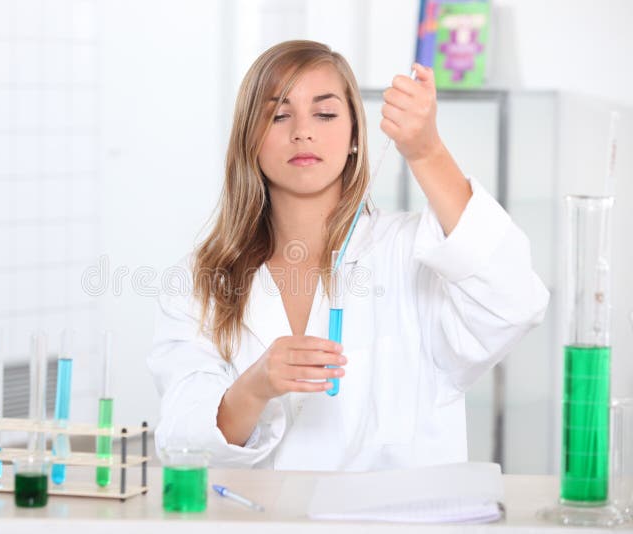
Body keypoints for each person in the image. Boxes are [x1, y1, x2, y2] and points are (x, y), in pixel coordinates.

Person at [148, 40, 549, 471]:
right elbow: (182, 442)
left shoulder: (410, 255)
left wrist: (427, 151)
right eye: (279, 115)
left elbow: (514, 302)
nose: (303, 130)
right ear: (251, 141)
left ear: (356, 136)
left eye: (324, 113)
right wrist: (255, 386)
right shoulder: (203, 279)